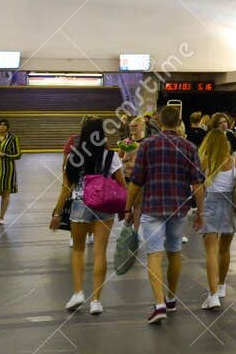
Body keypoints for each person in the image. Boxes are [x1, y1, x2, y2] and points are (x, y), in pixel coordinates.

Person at [126, 105, 205, 326]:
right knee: (175, 251)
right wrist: (201, 211)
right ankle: (171, 299)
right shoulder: (189, 147)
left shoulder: (148, 145)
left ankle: (159, 304)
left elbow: (137, 180)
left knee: (154, 254)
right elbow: (197, 183)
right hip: (179, 208)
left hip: (152, 208)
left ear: (159, 122)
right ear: (179, 122)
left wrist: (128, 207)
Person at [51, 116, 125, 315]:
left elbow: (66, 188)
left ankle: (77, 293)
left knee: (78, 250)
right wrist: (125, 208)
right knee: (100, 252)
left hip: (80, 205)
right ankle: (96, 301)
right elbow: (122, 184)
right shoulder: (111, 156)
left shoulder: (73, 156)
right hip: (104, 207)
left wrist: (57, 212)